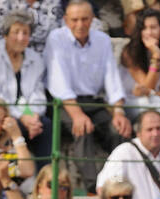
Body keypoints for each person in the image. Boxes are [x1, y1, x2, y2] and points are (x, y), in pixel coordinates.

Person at [45, 0, 130, 188]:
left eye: (85, 19)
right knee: (82, 130)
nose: (80, 24)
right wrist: (76, 114)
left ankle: (119, 183)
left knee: (119, 131)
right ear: (66, 20)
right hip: (64, 103)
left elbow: (112, 79)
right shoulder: (56, 38)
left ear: (92, 19)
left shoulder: (102, 40)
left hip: (93, 101)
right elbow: (59, 83)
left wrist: (118, 112)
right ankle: (96, 187)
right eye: (74, 20)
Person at [0, 10, 48, 155]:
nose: (21, 38)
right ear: (5, 34)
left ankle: (46, 175)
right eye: (16, 32)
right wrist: (22, 117)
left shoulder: (36, 59)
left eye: (25, 33)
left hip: (26, 113)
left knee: (45, 125)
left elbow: (37, 94)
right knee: (13, 125)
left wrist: (33, 116)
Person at [119, 7, 160, 147]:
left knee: (156, 102)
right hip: (130, 103)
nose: (149, 32)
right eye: (144, 28)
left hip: (156, 102)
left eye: (153, 27)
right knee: (155, 103)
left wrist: (150, 93)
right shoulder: (129, 53)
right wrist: (156, 56)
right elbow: (149, 85)